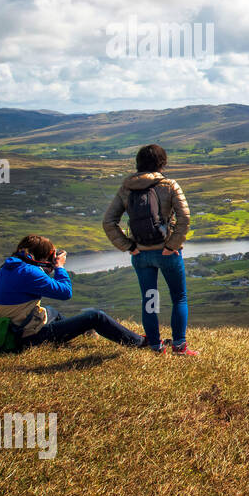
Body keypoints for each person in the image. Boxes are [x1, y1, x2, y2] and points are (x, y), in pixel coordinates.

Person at [102, 143, 199, 356]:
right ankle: (179, 346)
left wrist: (128, 246)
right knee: (178, 298)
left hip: (141, 254)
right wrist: (172, 245)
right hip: (167, 252)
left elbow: (109, 222)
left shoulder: (127, 188)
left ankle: (156, 346)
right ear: (162, 163)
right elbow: (185, 218)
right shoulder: (169, 185)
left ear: (138, 163)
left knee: (150, 298)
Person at [0, 234, 145, 347]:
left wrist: (46, 267)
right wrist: (59, 267)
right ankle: (140, 341)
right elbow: (65, 292)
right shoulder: (29, 272)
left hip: (9, 329)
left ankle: (83, 330)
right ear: (40, 257)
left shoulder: (9, 267)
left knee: (51, 311)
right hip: (28, 337)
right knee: (96, 317)